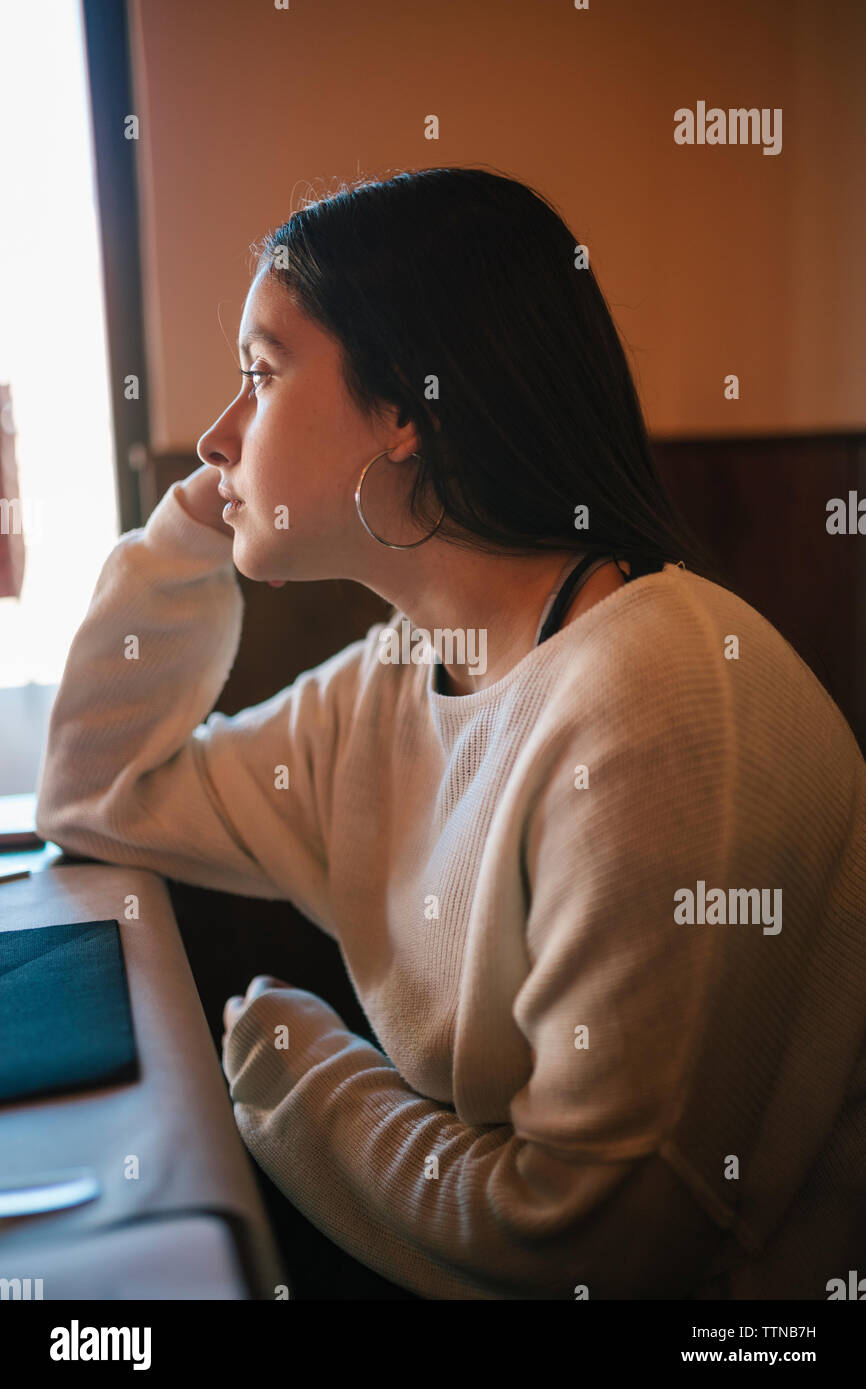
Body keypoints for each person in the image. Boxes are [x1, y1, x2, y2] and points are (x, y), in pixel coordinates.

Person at [35, 167, 866, 1300]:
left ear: (406, 413)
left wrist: (298, 1073)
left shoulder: (657, 702)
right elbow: (96, 795)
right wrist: (191, 523)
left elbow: (592, 1246)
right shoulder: (384, 686)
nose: (217, 434)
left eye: (260, 377)